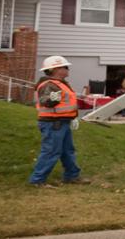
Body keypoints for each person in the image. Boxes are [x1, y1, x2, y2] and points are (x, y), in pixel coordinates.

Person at [30, 55, 87, 187]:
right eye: (65, 67)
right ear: (55, 69)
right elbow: (46, 102)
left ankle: (72, 176)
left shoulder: (61, 84)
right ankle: (37, 180)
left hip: (62, 122)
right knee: (51, 151)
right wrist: (52, 99)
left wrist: (72, 117)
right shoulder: (49, 85)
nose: (68, 70)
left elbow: (65, 104)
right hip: (53, 123)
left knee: (68, 151)